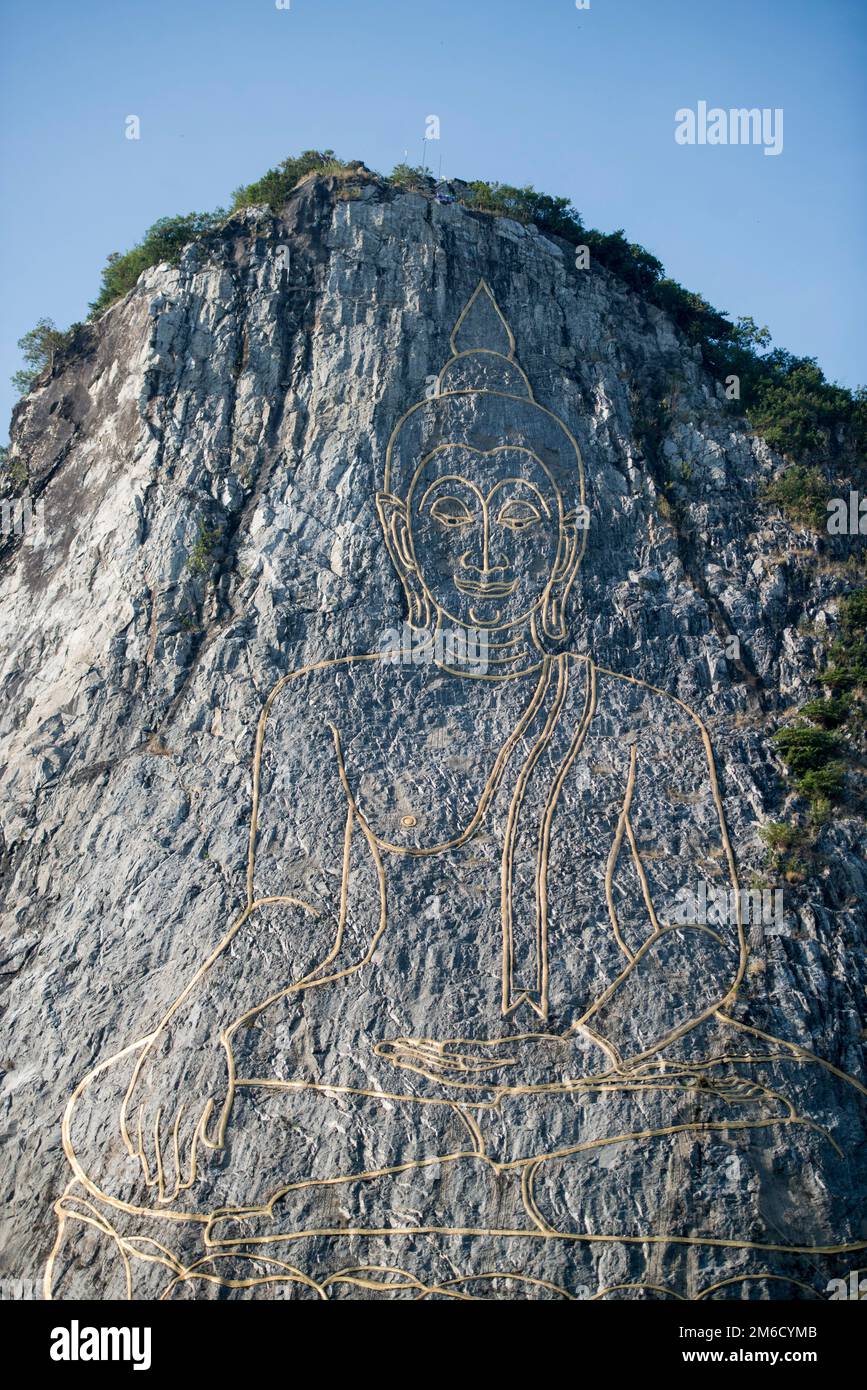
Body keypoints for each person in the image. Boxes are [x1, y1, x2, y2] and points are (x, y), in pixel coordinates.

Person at [46, 282, 866, 1301]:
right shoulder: (323, 705)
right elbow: (300, 908)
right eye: (450, 507)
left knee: (776, 1124)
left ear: (569, 531)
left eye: (520, 510)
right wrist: (200, 1021)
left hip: (602, 1087)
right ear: (397, 528)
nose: (485, 545)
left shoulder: (648, 723)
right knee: (156, 1123)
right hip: (390, 1075)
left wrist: (585, 1051)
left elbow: (704, 930)